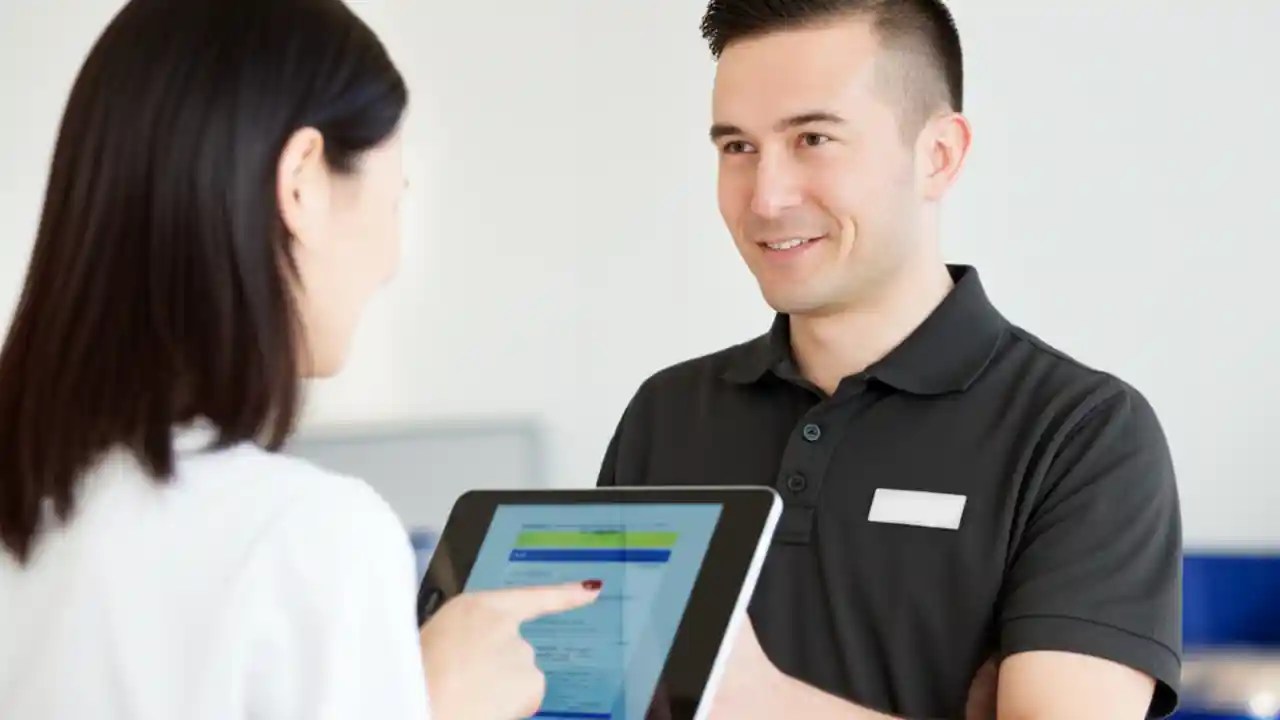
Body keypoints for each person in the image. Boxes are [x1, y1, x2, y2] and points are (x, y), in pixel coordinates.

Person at [0, 1, 600, 719]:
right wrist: (434, 705)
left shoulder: (35, 508)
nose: (391, 257)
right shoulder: (307, 536)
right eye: (394, 197)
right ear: (302, 180)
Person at [597, 1, 1182, 718]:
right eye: (737, 148)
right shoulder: (666, 413)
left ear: (938, 155)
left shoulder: (1080, 434)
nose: (767, 197)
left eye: (812, 138)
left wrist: (761, 702)